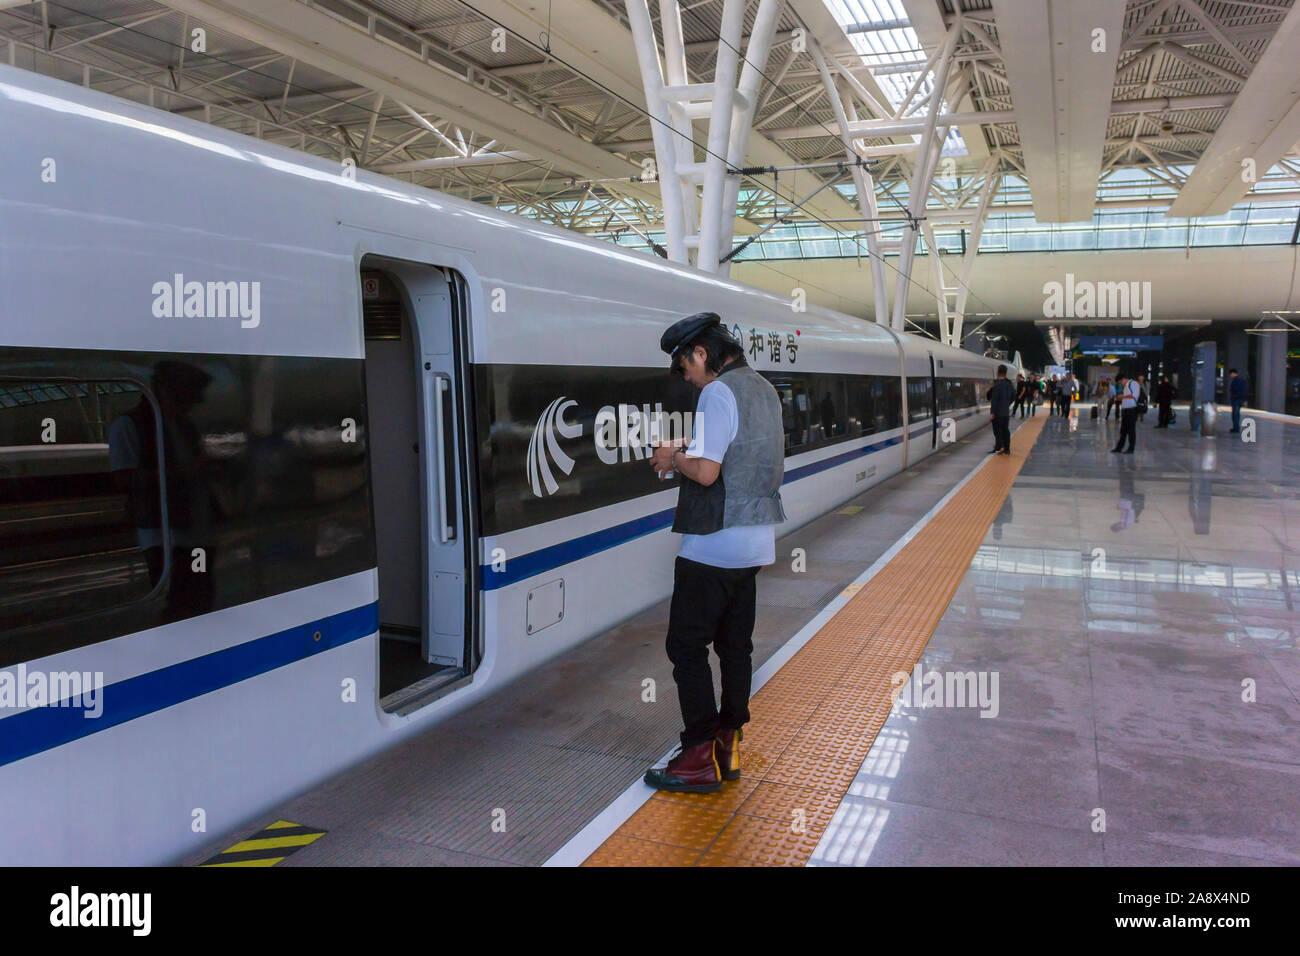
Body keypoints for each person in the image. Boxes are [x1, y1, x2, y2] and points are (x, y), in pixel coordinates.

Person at [644, 312, 785, 794]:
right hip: (754, 542)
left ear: (702, 355)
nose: (688, 378)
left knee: (686, 646)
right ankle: (729, 741)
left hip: (713, 544)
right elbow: (738, 449)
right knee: (735, 646)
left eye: (686, 368)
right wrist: (692, 447)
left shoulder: (718, 392)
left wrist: (671, 458)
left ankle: (698, 754)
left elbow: (706, 473)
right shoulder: (764, 389)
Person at [986, 364, 1015, 455]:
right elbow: (1014, 396)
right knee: (1005, 430)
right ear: (1005, 373)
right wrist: (1007, 404)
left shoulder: (997, 385)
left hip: (997, 413)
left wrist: (992, 413)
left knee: (997, 431)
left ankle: (999, 447)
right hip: (1005, 412)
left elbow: (993, 400)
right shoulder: (1009, 384)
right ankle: (1006, 449)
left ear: (998, 372)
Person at [1111, 372, 1140, 454]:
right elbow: (1128, 397)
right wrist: (1120, 398)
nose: (1121, 384)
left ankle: (1131, 449)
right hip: (1126, 410)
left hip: (1131, 410)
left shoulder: (1133, 383)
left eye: (1120, 382)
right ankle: (1119, 448)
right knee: (1123, 431)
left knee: (1131, 430)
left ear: (1123, 379)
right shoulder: (1126, 386)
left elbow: (1134, 395)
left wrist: (1122, 396)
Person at [1228, 368, 1247, 433]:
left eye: (1230, 374)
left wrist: (1233, 392)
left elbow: (1234, 389)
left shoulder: (1236, 381)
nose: (1230, 376)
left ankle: (1236, 428)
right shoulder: (1242, 380)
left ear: (1234, 373)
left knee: (1235, 414)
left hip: (1236, 399)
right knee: (1237, 414)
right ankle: (1236, 427)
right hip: (1240, 399)